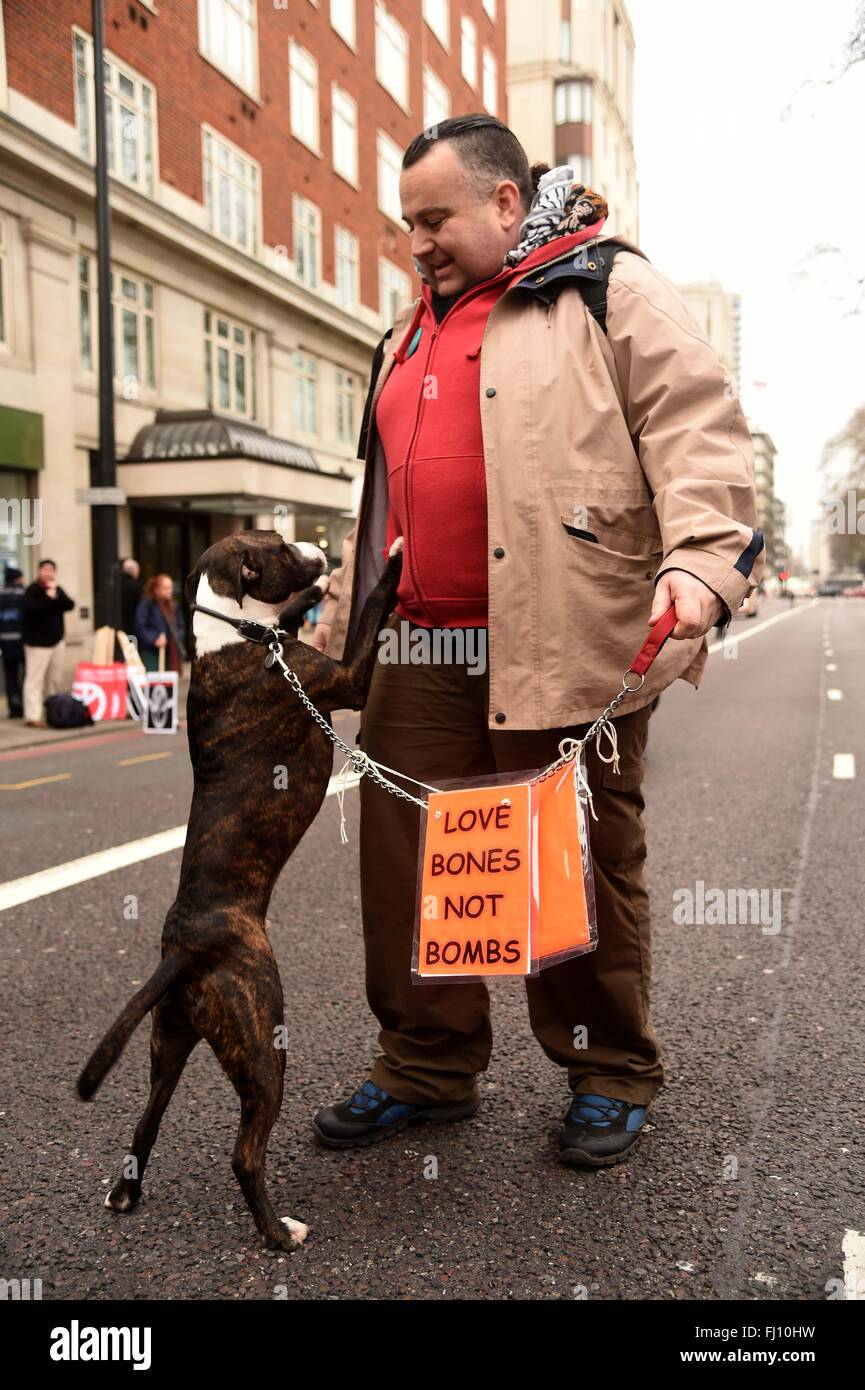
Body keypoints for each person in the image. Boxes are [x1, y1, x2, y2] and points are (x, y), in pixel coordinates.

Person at [310, 115, 763, 1167]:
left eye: (435, 219)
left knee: (574, 867)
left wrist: (698, 561)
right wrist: (337, 634)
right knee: (410, 866)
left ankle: (608, 1069)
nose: (416, 241)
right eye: (406, 223)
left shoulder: (602, 287)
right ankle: (426, 1065)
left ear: (506, 203)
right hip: (425, 647)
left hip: (564, 632)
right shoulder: (408, 327)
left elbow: (694, 423)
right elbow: (382, 502)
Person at [22, 559, 75, 728]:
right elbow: (30, 610)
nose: (49, 573)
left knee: (53, 680)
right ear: (39, 571)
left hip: (56, 642)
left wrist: (56, 596)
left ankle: (53, 711)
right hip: (37, 644)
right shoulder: (32, 590)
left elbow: (70, 605)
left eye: (51, 570)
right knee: (34, 681)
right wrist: (48, 599)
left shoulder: (56, 589)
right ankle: (33, 716)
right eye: (45, 569)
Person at [134, 574, 186, 673]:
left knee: (170, 683)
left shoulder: (173, 606)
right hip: (151, 652)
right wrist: (154, 639)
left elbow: (180, 626)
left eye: (171, 587)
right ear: (156, 590)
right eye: (166, 588)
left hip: (170, 652)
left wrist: (177, 639)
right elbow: (140, 627)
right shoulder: (147, 605)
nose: (170, 590)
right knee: (154, 682)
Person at [0, 564, 26, 718]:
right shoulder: (22, 594)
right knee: (26, 675)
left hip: (4, 641)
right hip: (22, 641)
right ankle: (22, 704)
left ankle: (13, 708)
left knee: (10, 675)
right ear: (17, 578)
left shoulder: (1, 594)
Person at [120, 558, 143, 638]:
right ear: (135, 571)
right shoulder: (137, 587)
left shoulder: (115, 586)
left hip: (119, 627)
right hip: (132, 626)